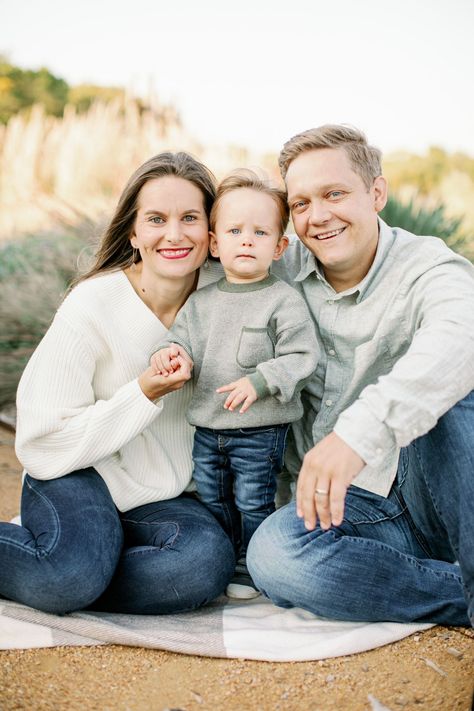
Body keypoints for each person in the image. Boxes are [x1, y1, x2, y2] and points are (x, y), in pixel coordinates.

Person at [247, 125, 474, 627]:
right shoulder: (279, 270)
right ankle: (458, 594)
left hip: (435, 487)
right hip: (352, 510)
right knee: (274, 555)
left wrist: (359, 433)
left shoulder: (427, 266)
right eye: (301, 203)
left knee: (456, 384)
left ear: (376, 193)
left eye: (334, 194)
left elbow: (464, 333)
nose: (318, 215)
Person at [0, 151, 236, 615]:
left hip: (162, 494)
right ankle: (71, 571)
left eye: (190, 217)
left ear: (211, 233)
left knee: (201, 565)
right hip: (76, 472)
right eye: (156, 219)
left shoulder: (232, 300)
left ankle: (78, 566)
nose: (174, 234)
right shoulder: (93, 305)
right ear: (133, 231)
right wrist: (142, 394)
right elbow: (43, 444)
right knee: (69, 576)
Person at [151, 171, 319, 598]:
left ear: (279, 246)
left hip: (260, 432)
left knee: (252, 499)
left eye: (260, 232)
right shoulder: (202, 303)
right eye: (234, 230)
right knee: (212, 498)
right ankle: (223, 555)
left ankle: (250, 567)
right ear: (214, 242)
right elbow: (179, 340)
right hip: (208, 428)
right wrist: (171, 355)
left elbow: (302, 357)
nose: (246, 240)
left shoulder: (282, 299)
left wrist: (261, 381)